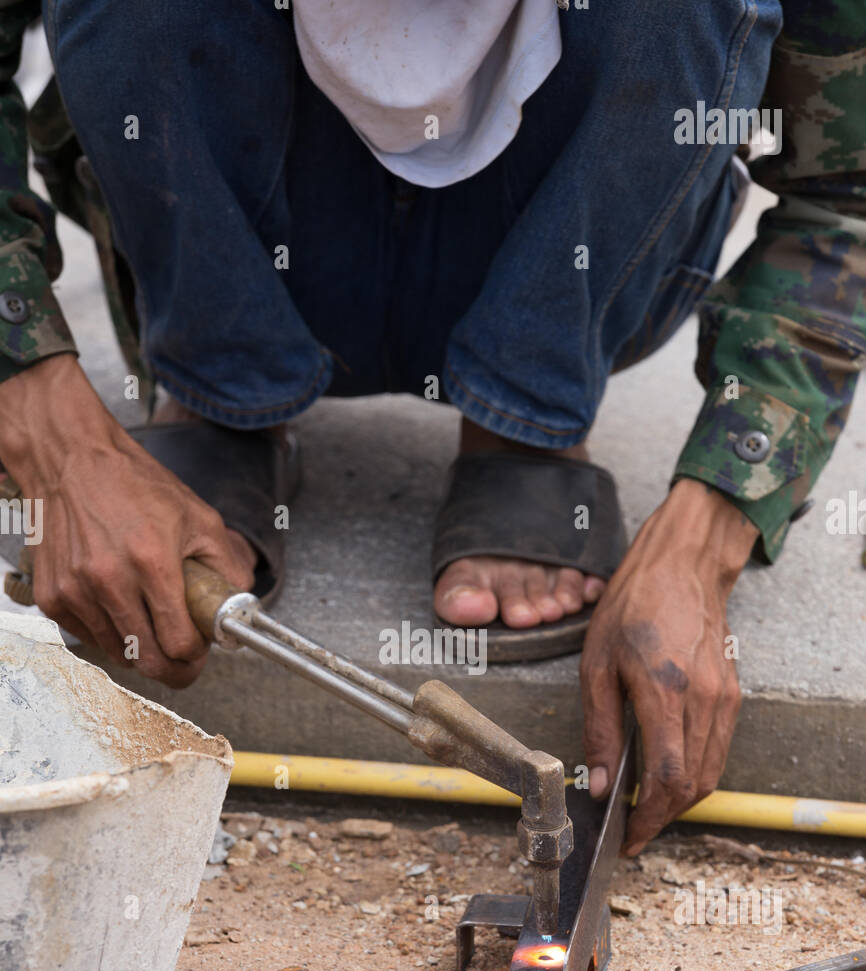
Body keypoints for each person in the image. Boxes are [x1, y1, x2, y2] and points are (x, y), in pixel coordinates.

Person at [0, 1, 862, 854]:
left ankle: (526, 412)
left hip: (560, 231)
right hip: (246, 226)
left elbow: (845, 195)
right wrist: (58, 442)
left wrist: (707, 531)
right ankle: (221, 386)